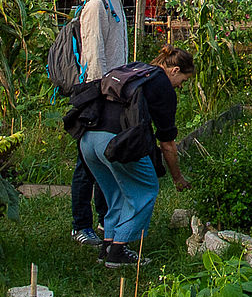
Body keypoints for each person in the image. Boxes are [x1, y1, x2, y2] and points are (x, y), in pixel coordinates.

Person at [75, 45, 195, 268]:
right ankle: (119, 250)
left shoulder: (137, 70)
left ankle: (108, 246)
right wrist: (177, 177)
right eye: (183, 81)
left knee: (116, 192)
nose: (180, 87)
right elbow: (167, 143)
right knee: (144, 190)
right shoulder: (162, 85)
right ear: (175, 70)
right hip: (115, 142)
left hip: (88, 139)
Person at [68, 0, 148, 249]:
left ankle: (105, 219)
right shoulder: (97, 5)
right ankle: (80, 225)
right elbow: (94, 55)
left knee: (106, 159)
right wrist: (102, 97)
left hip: (114, 92)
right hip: (98, 94)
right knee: (87, 163)